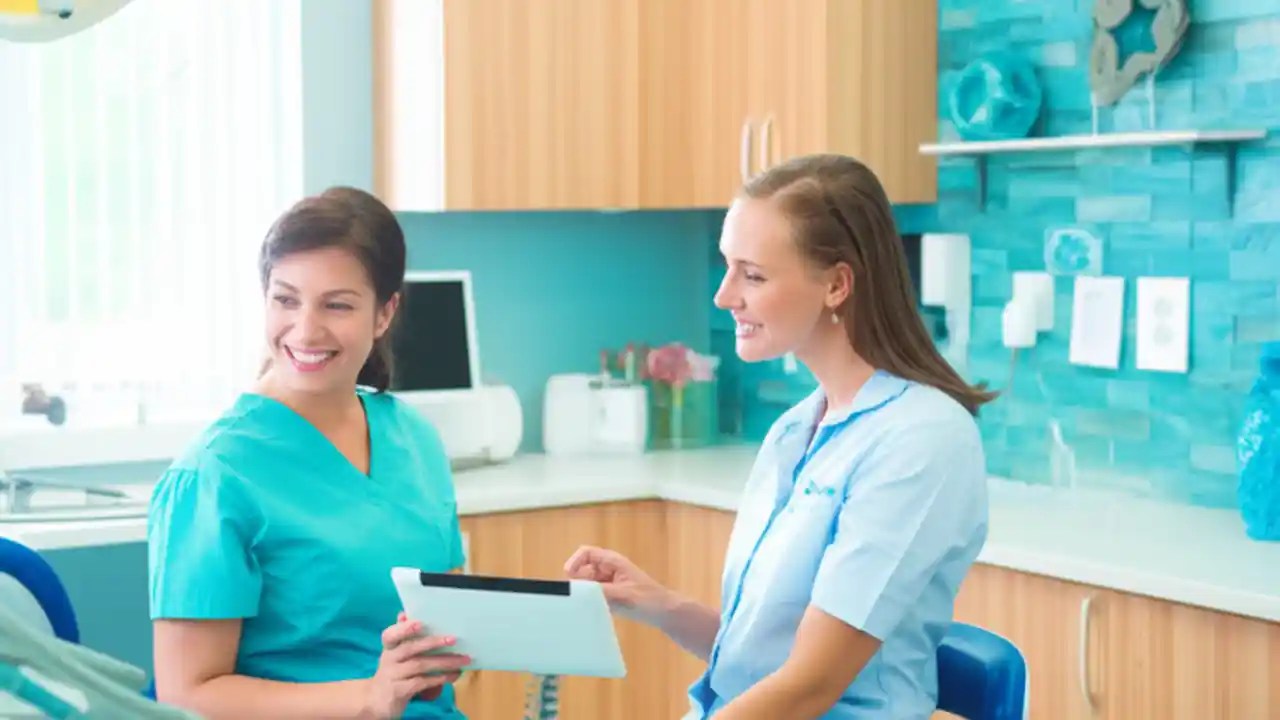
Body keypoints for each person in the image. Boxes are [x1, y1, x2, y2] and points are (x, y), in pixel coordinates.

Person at [565, 154, 995, 719]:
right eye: (728, 267)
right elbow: (763, 663)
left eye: (753, 275)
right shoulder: (796, 429)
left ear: (837, 284)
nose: (724, 296)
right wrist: (660, 605)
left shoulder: (921, 439)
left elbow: (810, 686)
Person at [147, 187, 471, 720]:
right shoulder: (214, 474)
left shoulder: (415, 437)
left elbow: (443, 614)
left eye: (337, 305)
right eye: (286, 299)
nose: (305, 330)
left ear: (384, 313)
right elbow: (187, 695)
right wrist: (370, 697)